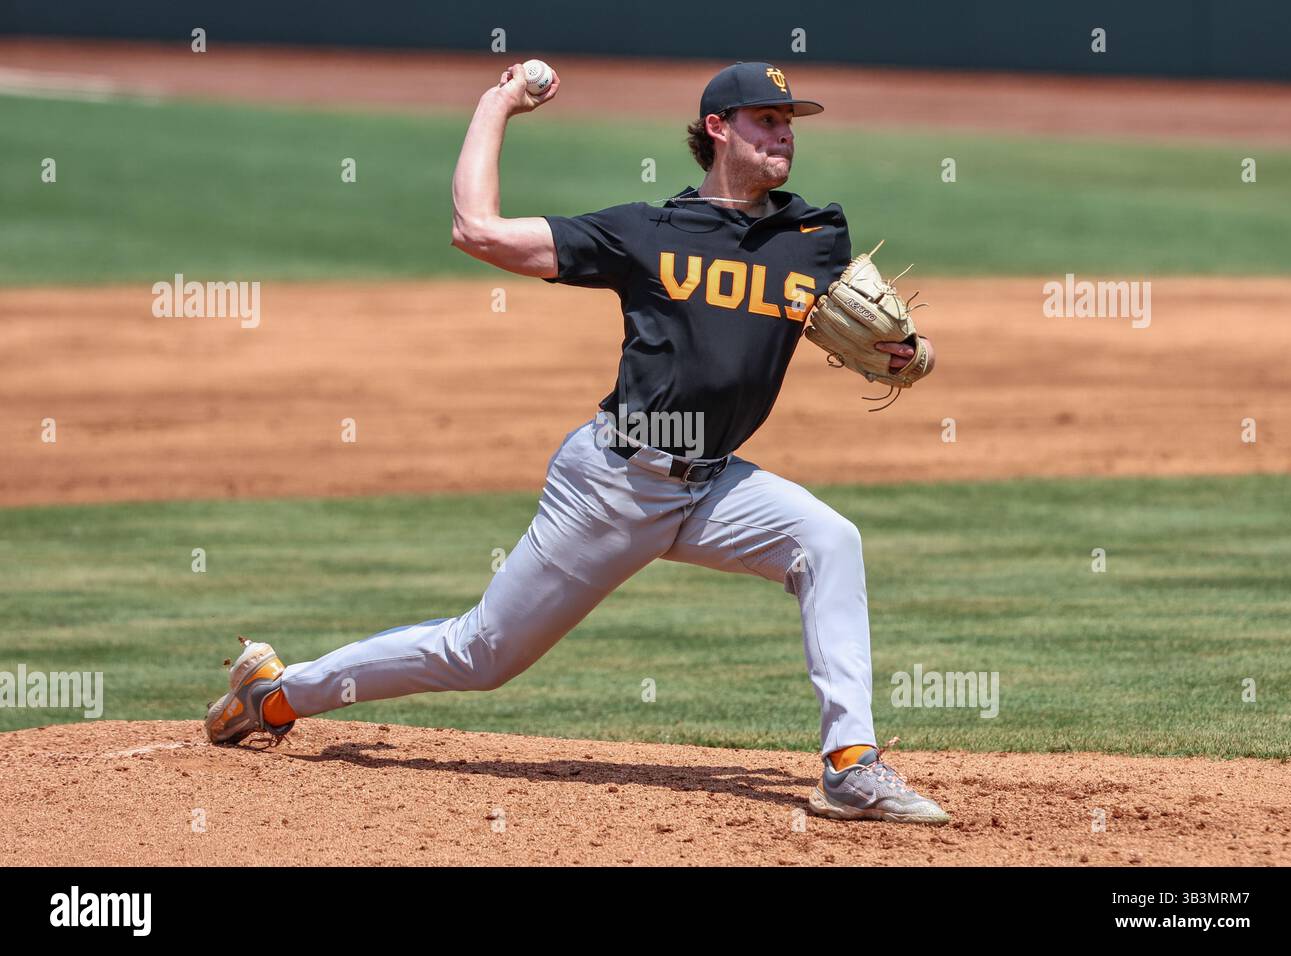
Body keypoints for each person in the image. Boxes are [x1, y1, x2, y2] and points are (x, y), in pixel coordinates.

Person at [204, 61, 949, 825]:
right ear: (718, 129)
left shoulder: (817, 235)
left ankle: (850, 765)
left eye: (790, 119)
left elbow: (865, 332)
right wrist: (497, 105)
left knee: (829, 540)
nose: (784, 131)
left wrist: (907, 356)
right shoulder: (644, 232)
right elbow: (477, 231)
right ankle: (278, 691)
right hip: (615, 482)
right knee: (480, 656)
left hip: (715, 485)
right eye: (766, 118)